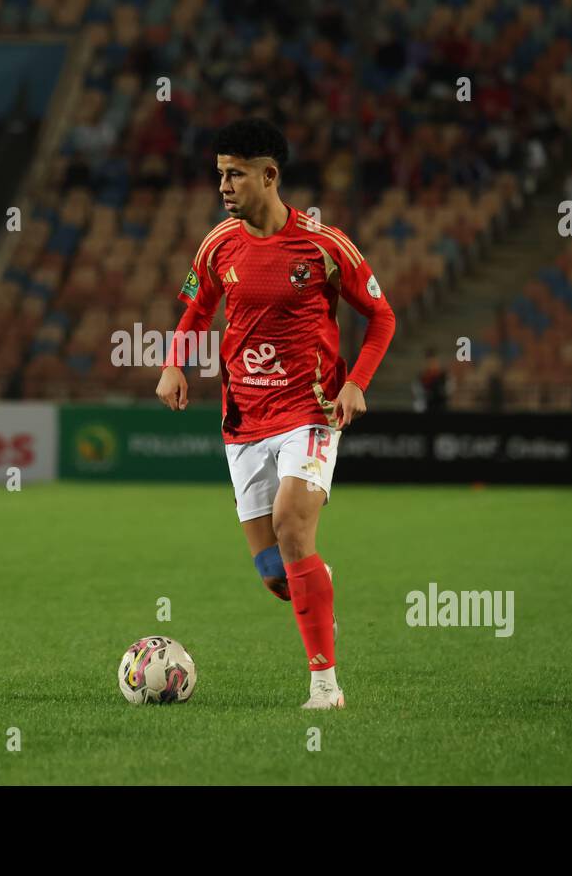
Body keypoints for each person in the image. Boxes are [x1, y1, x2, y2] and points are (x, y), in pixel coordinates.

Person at [155, 118, 397, 710]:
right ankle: (318, 591)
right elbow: (195, 308)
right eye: (219, 174)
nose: (224, 186)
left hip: (310, 413)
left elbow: (382, 317)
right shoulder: (219, 245)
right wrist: (173, 364)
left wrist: (357, 383)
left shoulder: (323, 245)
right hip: (243, 421)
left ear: (270, 175)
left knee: (293, 525)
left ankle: (325, 687)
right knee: (274, 570)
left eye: (235, 174)